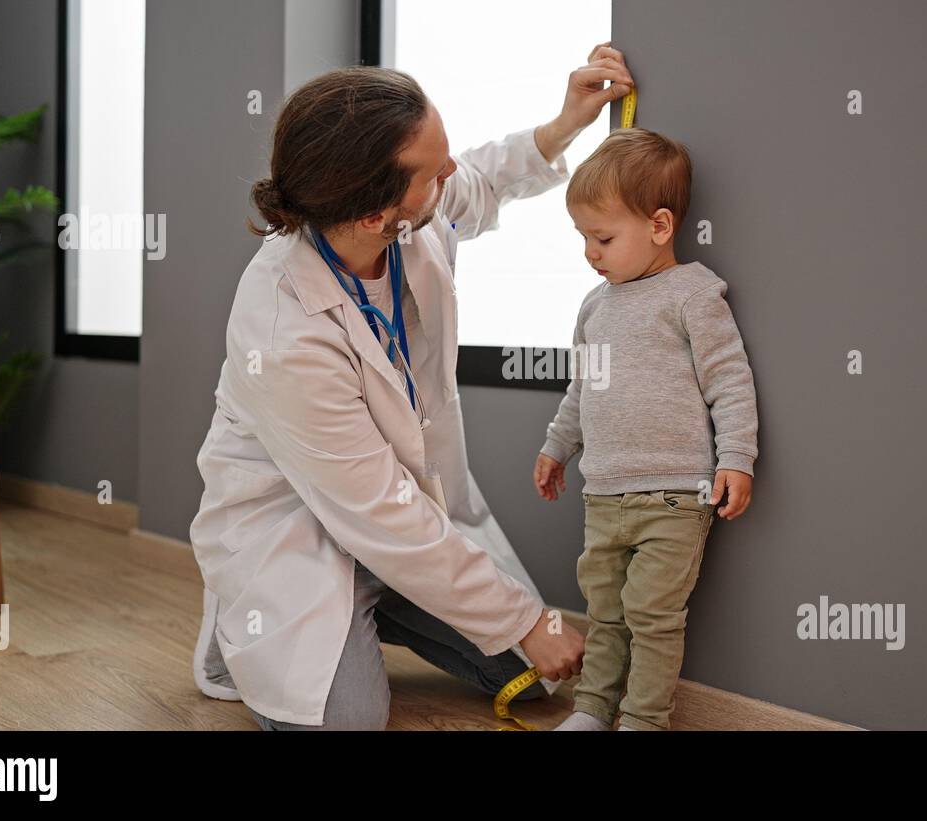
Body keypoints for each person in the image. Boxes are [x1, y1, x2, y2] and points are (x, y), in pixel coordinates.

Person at [189, 47, 636, 730]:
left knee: (525, 673)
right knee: (350, 720)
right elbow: (380, 515)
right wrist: (524, 617)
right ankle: (235, 631)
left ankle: (384, 597)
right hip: (298, 527)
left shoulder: (398, 217)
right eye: (434, 171)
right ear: (375, 213)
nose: (451, 173)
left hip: (391, 516)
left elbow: (480, 181)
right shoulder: (283, 330)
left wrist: (564, 124)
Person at [533, 128, 759, 730]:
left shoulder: (692, 295)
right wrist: (558, 445)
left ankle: (644, 719)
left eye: (602, 237)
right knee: (604, 614)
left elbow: (729, 381)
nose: (590, 252)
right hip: (603, 493)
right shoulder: (594, 306)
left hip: (674, 496)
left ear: (660, 226)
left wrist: (737, 457)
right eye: (583, 237)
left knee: (653, 617)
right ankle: (591, 710)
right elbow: (582, 388)